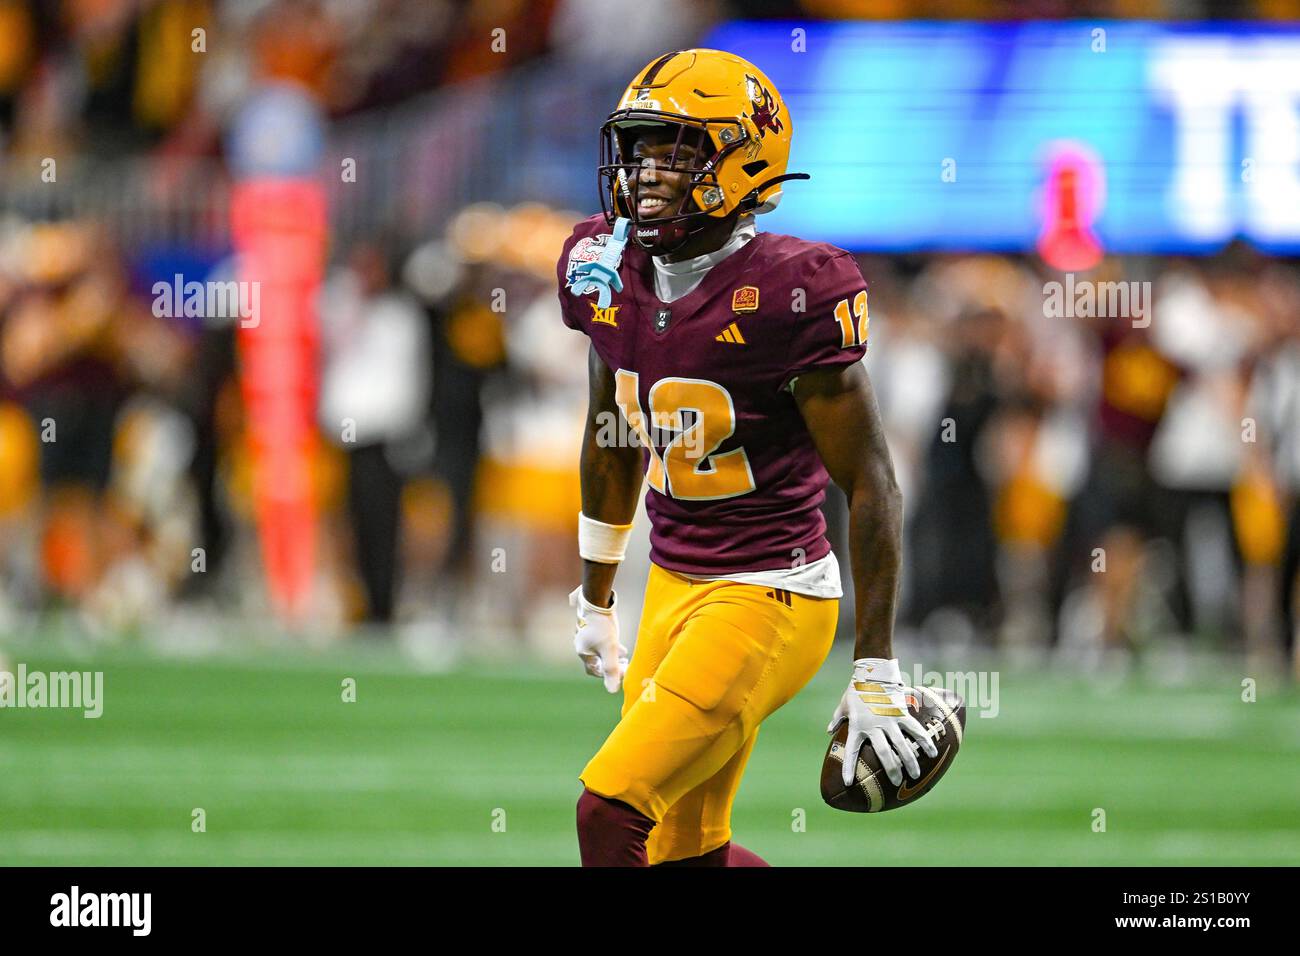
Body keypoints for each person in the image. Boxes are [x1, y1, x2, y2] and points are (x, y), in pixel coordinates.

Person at [556, 49, 936, 867]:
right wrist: (595, 593)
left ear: (744, 158)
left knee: (610, 810)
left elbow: (872, 481)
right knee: (686, 854)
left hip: (770, 593)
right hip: (671, 582)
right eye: (641, 149)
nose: (648, 174)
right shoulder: (606, 266)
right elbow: (610, 427)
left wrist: (875, 665)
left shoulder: (793, 292)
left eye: (677, 151)